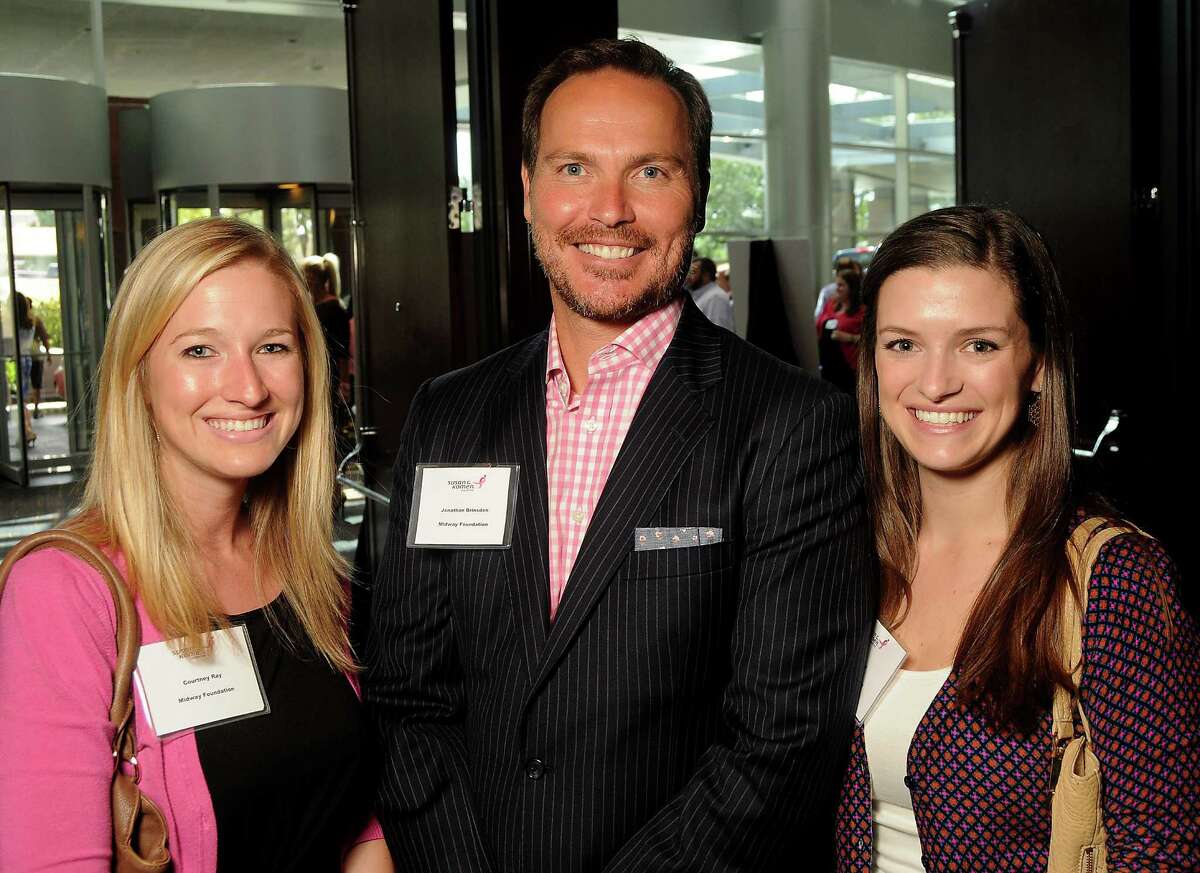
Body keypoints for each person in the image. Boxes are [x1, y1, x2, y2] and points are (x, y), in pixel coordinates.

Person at [366, 38, 872, 873]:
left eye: (650, 172)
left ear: (697, 196)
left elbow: (781, 746)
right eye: (572, 168)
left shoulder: (792, 426)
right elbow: (406, 695)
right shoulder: (450, 413)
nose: (609, 210)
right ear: (525, 191)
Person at [0, 218, 393, 872]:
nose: (248, 387)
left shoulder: (312, 572)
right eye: (200, 351)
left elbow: (359, 820)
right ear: (139, 374)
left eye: (272, 347)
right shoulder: (62, 593)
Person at [835, 206, 1200, 873]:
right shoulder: (836, 551)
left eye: (979, 344)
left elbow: (1160, 849)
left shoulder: (1113, 580)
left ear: (1036, 363)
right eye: (903, 343)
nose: (936, 381)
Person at [815, 267, 865, 394]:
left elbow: (872, 339)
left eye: (841, 285)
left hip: (847, 366)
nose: (836, 288)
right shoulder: (831, 304)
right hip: (826, 364)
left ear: (852, 288)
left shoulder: (862, 311)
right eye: (836, 284)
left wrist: (849, 337)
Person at [685, 255, 734, 329]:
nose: (688, 276)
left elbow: (718, 331)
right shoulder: (698, 295)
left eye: (693, 272)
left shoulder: (716, 297)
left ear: (706, 275)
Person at [14, 292, 37, 446]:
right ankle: (27, 430)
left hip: (19, 360)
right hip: (27, 359)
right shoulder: (31, 322)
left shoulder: (15, 324)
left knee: (21, 399)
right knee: (22, 397)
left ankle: (27, 430)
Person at [25, 295, 52, 418]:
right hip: (35, 355)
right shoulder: (35, 320)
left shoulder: (19, 321)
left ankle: (28, 410)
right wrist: (48, 354)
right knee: (36, 383)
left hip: (25, 354)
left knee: (27, 384)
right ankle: (35, 408)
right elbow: (44, 337)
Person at [814, 254, 861, 320]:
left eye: (841, 285)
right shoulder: (831, 302)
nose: (837, 289)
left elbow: (818, 315)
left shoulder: (827, 291)